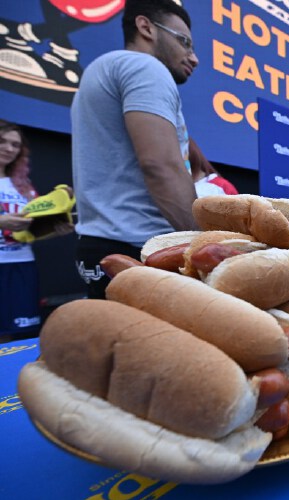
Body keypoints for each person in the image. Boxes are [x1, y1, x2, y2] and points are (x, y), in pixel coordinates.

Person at [72, 0, 199, 299]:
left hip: (99, 244)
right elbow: (160, 166)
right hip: (141, 249)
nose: (193, 58)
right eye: (184, 42)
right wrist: (202, 242)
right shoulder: (144, 66)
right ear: (146, 28)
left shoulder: (103, 69)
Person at [0, 120, 72, 339]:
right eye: (2, 141)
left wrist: (51, 228)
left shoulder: (23, 185)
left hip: (22, 266)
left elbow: (28, 232)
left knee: (22, 334)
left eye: (15, 145)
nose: (9, 148)